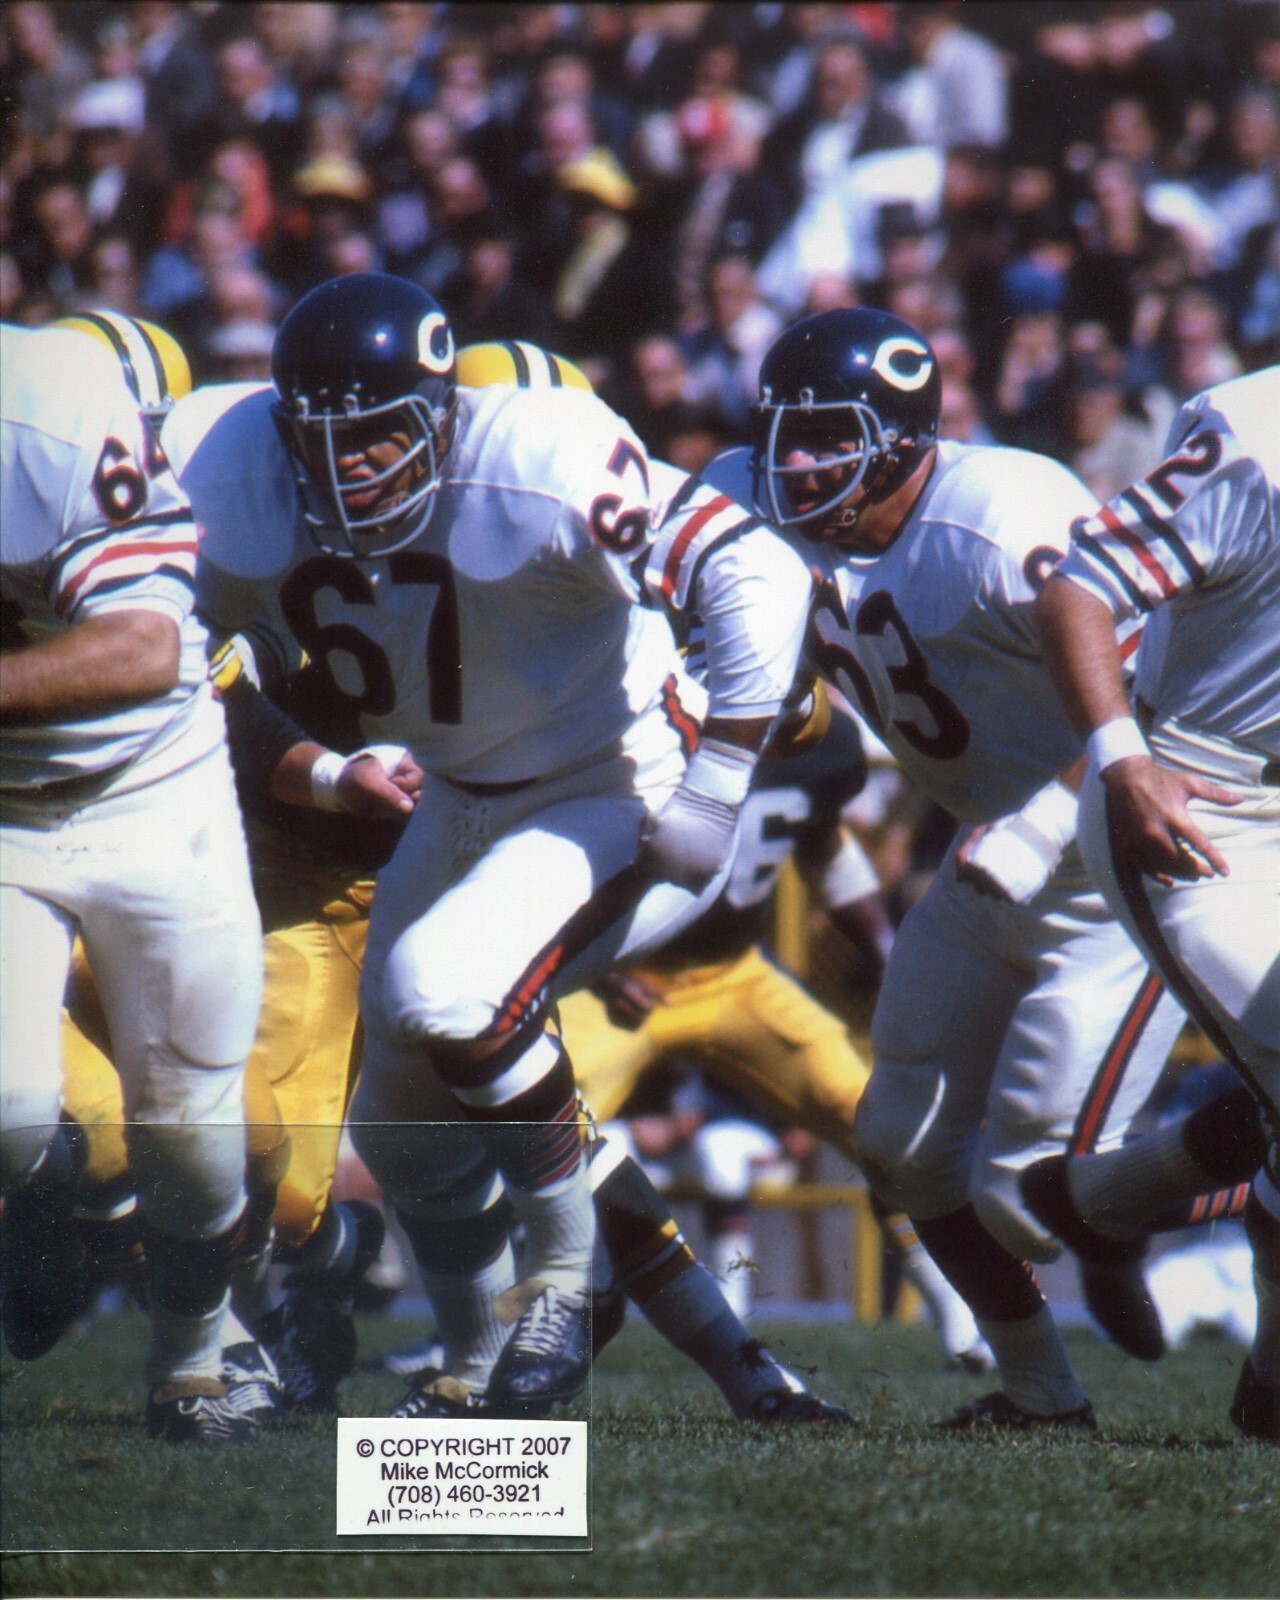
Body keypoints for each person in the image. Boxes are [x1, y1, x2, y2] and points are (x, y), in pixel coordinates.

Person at [163, 273, 813, 1416]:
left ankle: (562, 1281)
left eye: (376, 437)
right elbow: (166, 636)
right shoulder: (233, 468)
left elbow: (758, 566)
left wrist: (717, 784)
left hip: (613, 784)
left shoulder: (534, 457)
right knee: (403, 1134)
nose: (349, 466)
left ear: (442, 414)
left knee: (444, 990)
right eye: (324, 442)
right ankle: (477, 1379)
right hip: (458, 796)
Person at [705, 305, 1191, 1430]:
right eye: (785, 430)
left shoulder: (997, 513)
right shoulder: (751, 503)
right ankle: (1037, 1393)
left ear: (900, 438)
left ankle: (1229, 1165)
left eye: (828, 436)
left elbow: (1152, 699)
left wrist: (1029, 833)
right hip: (978, 870)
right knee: (900, 1149)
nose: (796, 459)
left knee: (1027, 1195)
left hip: (1106, 872)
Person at [0, 322, 265, 1445]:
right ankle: (44, 1225)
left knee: (195, 1143)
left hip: (148, 787)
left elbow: (144, 646)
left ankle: (194, 1360)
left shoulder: (48, 397)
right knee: (7, 1112)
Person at [559, 695, 992, 1369]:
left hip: (735, 975)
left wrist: (884, 951)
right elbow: (568, 846)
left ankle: (958, 1319)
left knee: (879, 1119)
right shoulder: (647, 708)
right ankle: (481, 1332)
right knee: (520, 1117)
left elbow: (822, 841)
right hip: (623, 975)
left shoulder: (825, 738)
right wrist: (591, 957)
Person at [1028, 363, 1280, 1441]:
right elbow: (1077, 584)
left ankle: (1100, 1200)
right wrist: (1118, 756)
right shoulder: (1256, 438)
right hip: (1200, 804)